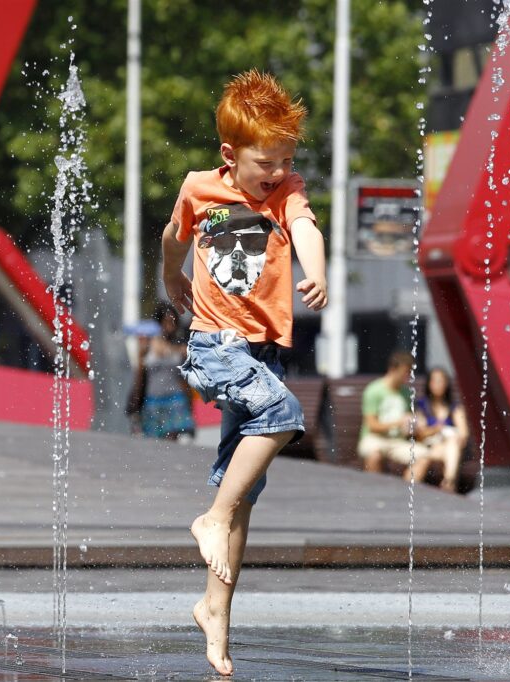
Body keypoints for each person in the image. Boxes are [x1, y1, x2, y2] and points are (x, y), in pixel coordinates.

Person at [162, 69, 327, 676]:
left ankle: (215, 613)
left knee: (244, 495)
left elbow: (307, 226)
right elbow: (172, 236)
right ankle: (211, 517)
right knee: (283, 414)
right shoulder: (201, 188)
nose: (277, 172)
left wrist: (319, 271)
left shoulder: (286, 192)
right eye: (265, 162)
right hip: (217, 345)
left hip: (262, 352)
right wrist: (170, 278)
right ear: (230, 156)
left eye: (286, 159)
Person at [357, 350, 430, 483]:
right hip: (375, 438)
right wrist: (398, 422)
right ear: (392, 369)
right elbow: (372, 425)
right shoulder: (374, 390)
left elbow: (410, 419)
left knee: (423, 456)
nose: (407, 377)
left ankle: (405, 493)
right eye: (404, 372)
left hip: (398, 441)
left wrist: (417, 423)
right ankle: (372, 490)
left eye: (409, 373)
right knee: (374, 455)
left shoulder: (406, 393)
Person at [126, 301, 196, 440]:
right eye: (165, 322)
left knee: (172, 439)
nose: (169, 327)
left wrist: (190, 400)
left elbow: (185, 375)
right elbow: (140, 374)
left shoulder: (181, 344)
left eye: (172, 322)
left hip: (175, 399)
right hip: (153, 400)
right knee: (154, 441)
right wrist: (136, 398)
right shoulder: (147, 344)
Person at [415, 366, 469, 492]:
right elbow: (420, 434)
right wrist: (437, 429)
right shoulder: (421, 406)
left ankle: (448, 482)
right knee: (449, 450)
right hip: (429, 447)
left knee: (452, 444)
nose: (438, 385)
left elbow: (463, 434)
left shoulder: (454, 407)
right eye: (435, 381)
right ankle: (449, 484)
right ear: (429, 384)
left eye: (441, 381)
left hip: (448, 447)